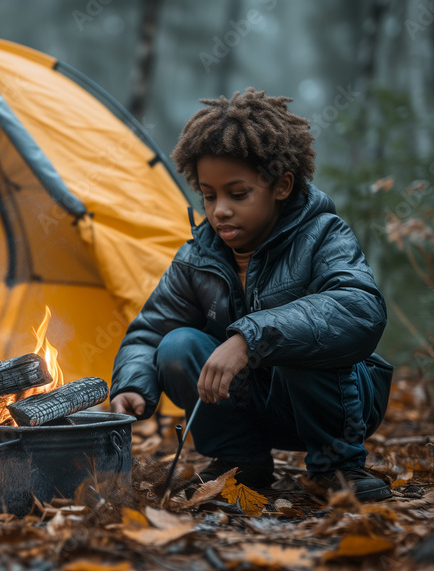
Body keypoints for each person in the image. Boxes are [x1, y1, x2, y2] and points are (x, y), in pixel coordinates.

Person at [109, 89, 394, 502]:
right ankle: (240, 462)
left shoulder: (324, 235)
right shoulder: (196, 258)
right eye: (209, 195)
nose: (220, 209)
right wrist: (134, 384)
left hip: (337, 405)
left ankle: (335, 467)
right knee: (177, 344)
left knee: (305, 334)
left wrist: (249, 337)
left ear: (281, 186)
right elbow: (152, 330)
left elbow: (359, 309)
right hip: (252, 404)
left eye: (237, 194)